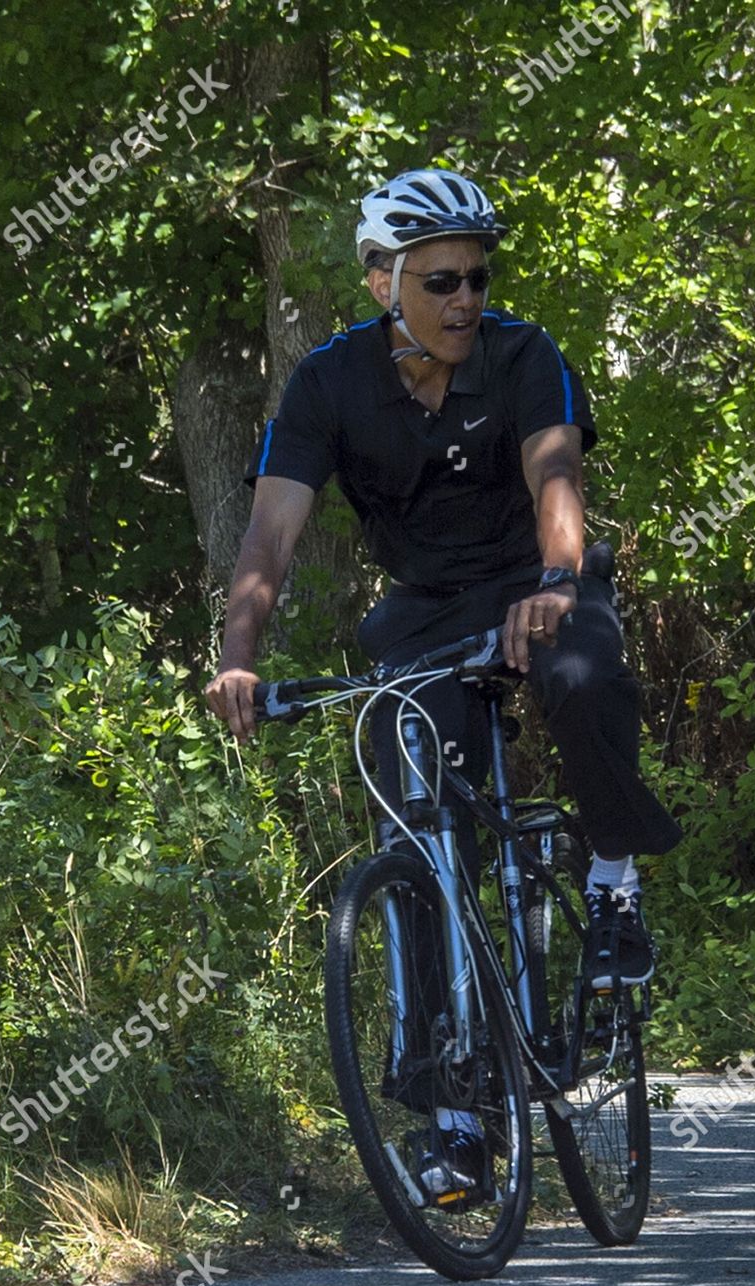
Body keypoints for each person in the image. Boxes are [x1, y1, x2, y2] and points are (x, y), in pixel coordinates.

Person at [206, 167, 682, 1198]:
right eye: (441, 282)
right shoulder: (327, 385)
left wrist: (557, 582)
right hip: (425, 607)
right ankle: (456, 1117)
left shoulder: (523, 355)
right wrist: (237, 655)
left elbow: (556, 479)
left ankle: (611, 884)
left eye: (476, 276)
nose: (466, 298)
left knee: (583, 668)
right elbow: (271, 533)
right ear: (383, 284)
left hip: (536, 581)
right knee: (414, 834)